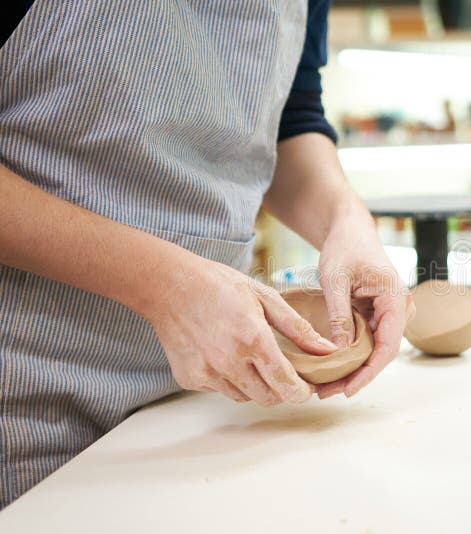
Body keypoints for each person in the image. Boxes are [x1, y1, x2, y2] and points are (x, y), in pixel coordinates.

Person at [0, 0, 411, 509]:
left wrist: (348, 222)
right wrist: (162, 284)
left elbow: (288, 119)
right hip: (28, 401)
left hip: (210, 393)